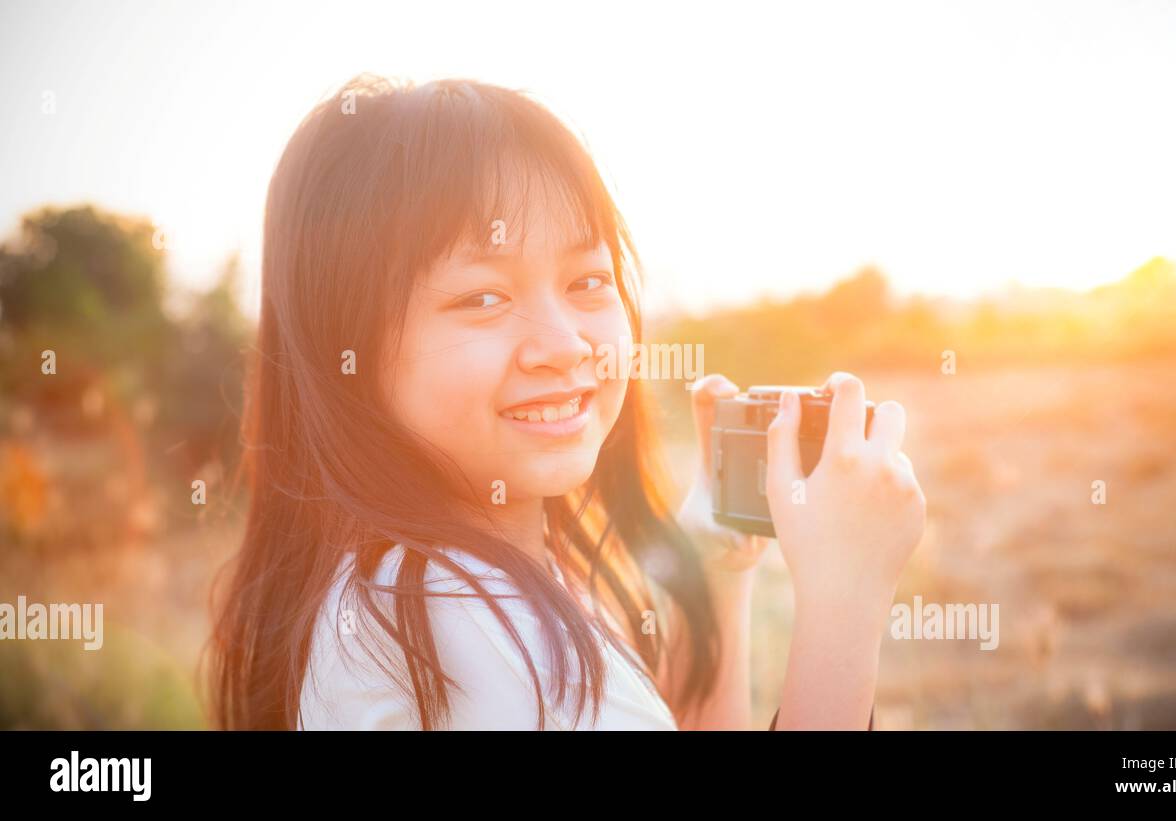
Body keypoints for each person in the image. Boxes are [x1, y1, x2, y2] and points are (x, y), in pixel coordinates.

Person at [206, 75, 926, 730]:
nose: (563, 343)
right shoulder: (460, 619)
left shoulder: (412, 585)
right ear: (348, 345)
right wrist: (846, 604)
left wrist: (714, 566)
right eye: (482, 297)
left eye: (587, 281)